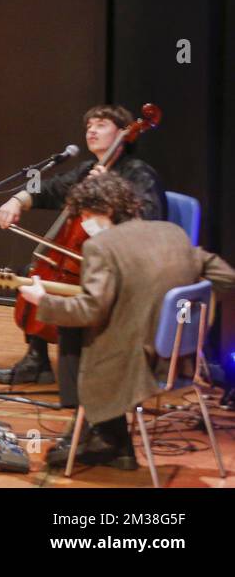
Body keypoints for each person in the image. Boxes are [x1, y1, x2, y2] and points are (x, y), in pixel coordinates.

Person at [17, 173, 234, 470]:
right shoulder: (172, 233)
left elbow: (90, 310)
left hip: (138, 365)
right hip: (179, 359)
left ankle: (97, 434)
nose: (83, 223)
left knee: (72, 332)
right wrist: (195, 314)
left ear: (104, 211)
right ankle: (113, 443)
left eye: (85, 215)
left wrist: (42, 300)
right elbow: (225, 277)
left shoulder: (102, 247)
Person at [0, 104, 164, 391]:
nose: (92, 131)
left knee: (65, 286)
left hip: (123, 261)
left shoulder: (139, 173)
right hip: (89, 259)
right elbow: (49, 188)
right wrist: (16, 201)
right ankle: (37, 360)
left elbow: (148, 219)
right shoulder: (86, 170)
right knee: (36, 273)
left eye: (101, 125)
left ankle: (78, 384)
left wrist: (108, 191)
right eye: (88, 127)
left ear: (124, 133)